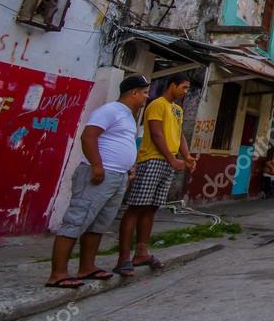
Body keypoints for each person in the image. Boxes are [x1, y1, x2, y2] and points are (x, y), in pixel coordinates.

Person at [46, 75, 149, 288]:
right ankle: (58, 273)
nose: (146, 97)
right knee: (76, 220)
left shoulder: (129, 116)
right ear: (134, 92)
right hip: (100, 173)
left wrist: (128, 168)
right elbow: (88, 136)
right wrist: (96, 165)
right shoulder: (109, 110)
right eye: (145, 92)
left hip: (118, 176)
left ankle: (87, 267)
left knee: (99, 224)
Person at [114, 74, 196, 276]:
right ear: (172, 85)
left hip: (168, 163)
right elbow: (157, 134)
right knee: (136, 207)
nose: (185, 92)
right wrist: (171, 158)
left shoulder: (177, 109)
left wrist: (186, 156)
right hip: (152, 160)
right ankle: (124, 258)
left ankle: (142, 252)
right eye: (183, 88)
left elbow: (179, 134)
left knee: (152, 208)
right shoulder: (157, 105)